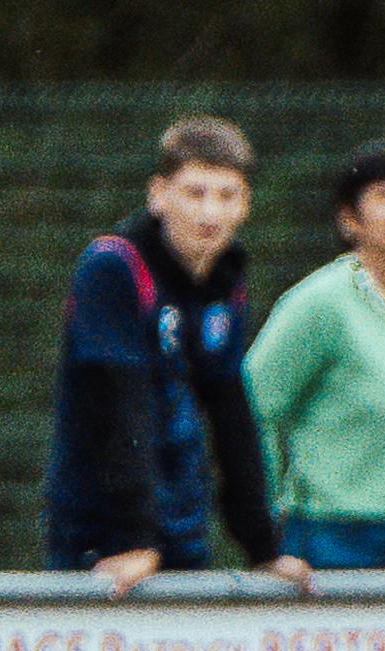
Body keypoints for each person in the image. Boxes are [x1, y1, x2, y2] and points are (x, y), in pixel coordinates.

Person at [49, 115, 288, 587]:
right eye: (195, 193)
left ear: (246, 204)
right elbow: (119, 405)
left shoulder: (225, 277)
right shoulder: (113, 266)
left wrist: (263, 548)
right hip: (103, 534)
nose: (210, 214)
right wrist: (132, 541)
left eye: (227, 195)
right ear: (159, 194)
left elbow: (230, 411)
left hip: (181, 526)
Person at [243, 138, 385, 572]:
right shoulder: (321, 302)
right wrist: (264, 527)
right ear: (350, 219)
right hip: (336, 540)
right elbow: (251, 405)